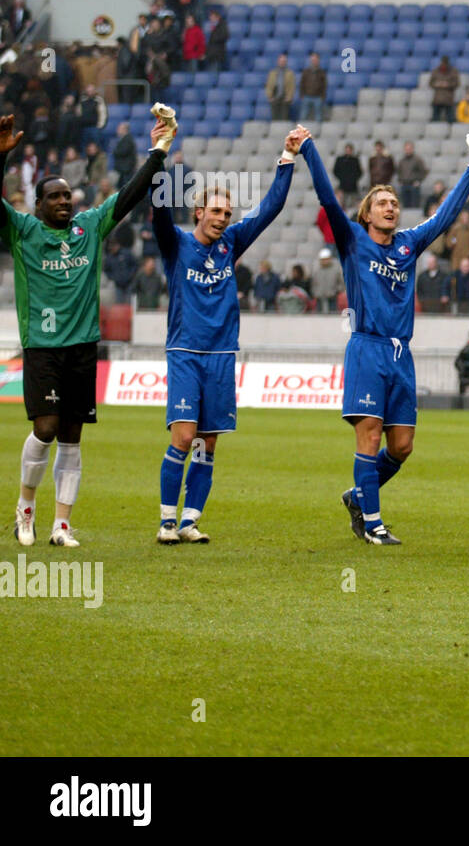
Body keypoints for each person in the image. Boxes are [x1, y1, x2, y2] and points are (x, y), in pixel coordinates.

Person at [0, 111, 170, 548]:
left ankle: (60, 526)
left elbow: (130, 194)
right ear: (37, 205)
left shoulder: (89, 228)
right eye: (54, 197)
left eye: (67, 196)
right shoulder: (23, 231)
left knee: (73, 436)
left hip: (82, 348)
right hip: (42, 347)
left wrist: (158, 152)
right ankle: (25, 508)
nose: (63, 201)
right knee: (47, 427)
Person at [302, 134, 469, 546]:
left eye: (395, 203)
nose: (391, 207)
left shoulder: (408, 245)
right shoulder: (353, 240)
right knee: (371, 434)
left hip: (401, 354)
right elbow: (327, 198)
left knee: (402, 446)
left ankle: (358, 494)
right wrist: (309, 147)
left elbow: (445, 216)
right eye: (382, 202)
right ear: (366, 213)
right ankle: (374, 523)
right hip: (366, 348)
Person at [151, 125, 302, 545]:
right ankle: (166, 520)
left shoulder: (230, 245)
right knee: (183, 436)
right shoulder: (176, 245)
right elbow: (158, 210)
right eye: (215, 212)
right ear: (198, 212)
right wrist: (160, 154)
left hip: (221, 355)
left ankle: (190, 521)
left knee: (207, 442)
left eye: (227, 214)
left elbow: (269, 209)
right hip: (184, 351)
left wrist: (287, 158)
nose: (223, 218)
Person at [311, 247, 344, 313]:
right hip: (319, 298)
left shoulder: (336, 270)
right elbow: (313, 283)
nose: (325, 261)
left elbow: (341, 282)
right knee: (319, 316)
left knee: (333, 314)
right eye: (323, 259)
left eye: (326, 259)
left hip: (332, 297)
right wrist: (315, 292)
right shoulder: (317, 271)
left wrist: (337, 291)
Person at [396, 140, 427, 208]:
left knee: (414, 205)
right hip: (404, 184)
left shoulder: (417, 160)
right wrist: (400, 180)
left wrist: (419, 181)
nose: (408, 150)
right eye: (406, 149)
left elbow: (424, 171)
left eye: (409, 149)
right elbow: (399, 171)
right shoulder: (402, 161)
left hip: (414, 185)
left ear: (412, 149)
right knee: (405, 205)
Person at [264, 53, 295, 122]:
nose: (282, 63)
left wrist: (289, 97)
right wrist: (269, 96)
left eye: (284, 61)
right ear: (278, 62)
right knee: (275, 118)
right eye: (281, 61)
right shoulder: (272, 73)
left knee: (284, 117)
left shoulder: (290, 73)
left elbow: (292, 86)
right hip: (275, 96)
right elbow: (268, 85)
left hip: (285, 97)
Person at [299, 52, 327, 124]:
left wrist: (322, 96)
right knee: (303, 116)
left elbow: (324, 85)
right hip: (306, 96)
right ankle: (302, 132)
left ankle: (318, 131)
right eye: (313, 60)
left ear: (318, 60)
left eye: (315, 60)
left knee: (318, 116)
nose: (314, 61)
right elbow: (302, 84)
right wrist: (302, 95)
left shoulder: (321, 72)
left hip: (318, 97)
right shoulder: (306, 72)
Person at [430, 56, 458, 124]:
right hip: (437, 98)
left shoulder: (453, 71)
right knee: (435, 119)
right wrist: (437, 84)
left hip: (448, 98)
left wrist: (447, 84)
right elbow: (431, 83)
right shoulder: (436, 71)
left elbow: (456, 83)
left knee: (450, 119)